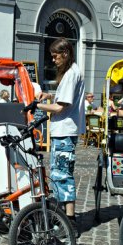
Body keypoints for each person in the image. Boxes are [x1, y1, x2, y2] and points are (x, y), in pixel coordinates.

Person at [26, 37, 85, 224]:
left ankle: (68, 220)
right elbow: (64, 98)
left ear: (65, 54)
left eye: (55, 56)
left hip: (64, 130)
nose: (53, 60)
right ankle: (66, 217)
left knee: (62, 175)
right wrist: (49, 95)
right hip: (66, 130)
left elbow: (60, 107)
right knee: (62, 173)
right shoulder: (73, 71)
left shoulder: (70, 75)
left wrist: (37, 105)